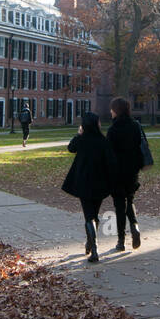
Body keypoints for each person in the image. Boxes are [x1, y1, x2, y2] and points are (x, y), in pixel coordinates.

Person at [62, 111, 113, 263]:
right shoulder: (103, 140)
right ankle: (91, 243)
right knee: (94, 215)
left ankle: (93, 246)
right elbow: (109, 160)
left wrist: (79, 134)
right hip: (100, 182)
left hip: (84, 181)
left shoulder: (81, 140)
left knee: (88, 215)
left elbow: (70, 148)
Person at [106, 96, 145, 251]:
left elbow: (108, 153)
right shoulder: (135, 125)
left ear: (116, 110)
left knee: (119, 206)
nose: (110, 111)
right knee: (130, 200)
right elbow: (141, 146)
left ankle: (121, 241)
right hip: (132, 170)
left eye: (112, 109)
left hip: (117, 173)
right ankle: (134, 226)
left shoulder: (113, 129)